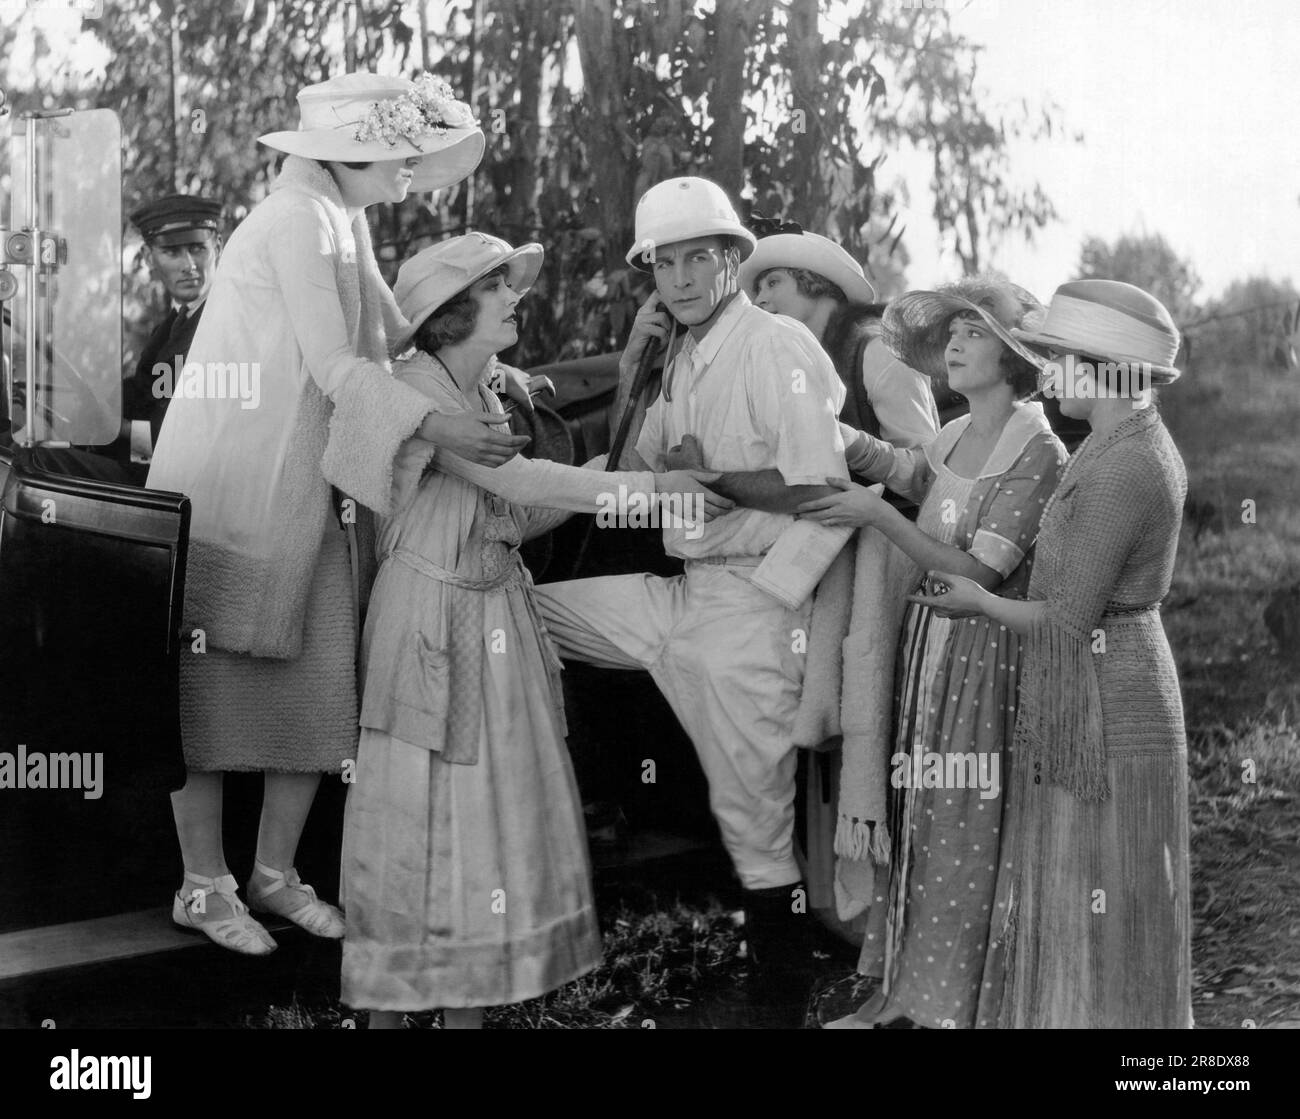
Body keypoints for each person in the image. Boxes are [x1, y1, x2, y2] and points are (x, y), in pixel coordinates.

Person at [147, 72, 531, 956]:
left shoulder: (338, 216)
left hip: (311, 484)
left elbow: (394, 333)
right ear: (356, 151)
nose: (412, 174)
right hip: (235, 486)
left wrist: (488, 367)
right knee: (204, 694)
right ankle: (203, 885)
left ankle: (274, 874)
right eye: (402, 156)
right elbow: (331, 361)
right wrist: (439, 423)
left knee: (321, 676)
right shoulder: (293, 219)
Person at [341, 232, 729, 1028]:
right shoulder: (421, 391)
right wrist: (657, 489)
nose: (517, 298)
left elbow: (518, 515)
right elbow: (515, 478)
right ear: (453, 312)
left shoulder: (479, 389)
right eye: (498, 287)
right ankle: (387, 1009)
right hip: (431, 620)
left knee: (485, 815)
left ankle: (466, 1011)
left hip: (492, 612)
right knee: (420, 815)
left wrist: (616, 460)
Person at [534, 176, 851, 1021]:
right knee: (519, 612)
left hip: (756, 607)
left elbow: (824, 488)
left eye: (697, 258)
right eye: (662, 264)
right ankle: (581, 799)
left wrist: (717, 484)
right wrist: (636, 366)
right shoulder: (677, 356)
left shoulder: (778, 347)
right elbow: (634, 479)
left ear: (733, 259)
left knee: (757, 835)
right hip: (682, 592)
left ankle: (779, 1005)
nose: (678, 279)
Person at [909, 280, 1192, 1029]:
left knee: (1106, 880)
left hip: (1114, 693)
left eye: (1061, 357)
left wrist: (981, 603)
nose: (1050, 371)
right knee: (1092, 882)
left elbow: (1068, 616)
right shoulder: (1113, 442)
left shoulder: (1126, 465)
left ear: (1101, 367)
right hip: (1100, 679)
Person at [802, 277, 1067, 1028]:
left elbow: (976, 572)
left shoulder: (1037, 448)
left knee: (965, 821)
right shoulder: (954, 433)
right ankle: (898, 994)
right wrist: (840, 441)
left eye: (974, 333)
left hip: (987, 661)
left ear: (1015, 356)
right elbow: (917, 474)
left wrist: (872, 514)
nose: (953, 344)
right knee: (918, 812)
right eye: (952, 330)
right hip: (930, 650)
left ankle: (954, 1003)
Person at [738, 228, 938, 460]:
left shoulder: (880, 352)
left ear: (813, 282)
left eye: (773, 283)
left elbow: (924, 467)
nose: (759, 300)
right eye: (758, 290)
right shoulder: (788, 366)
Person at [122, 194, 223, 482]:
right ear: (148, 256)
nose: (188, 264)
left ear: (218, 247)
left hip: (186, 485)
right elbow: (143, 390)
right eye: (172, 252)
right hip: (158, 472)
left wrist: (118, 429)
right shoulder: (175, 323)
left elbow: (181, 437)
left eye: (197, 249)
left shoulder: (222, 325)